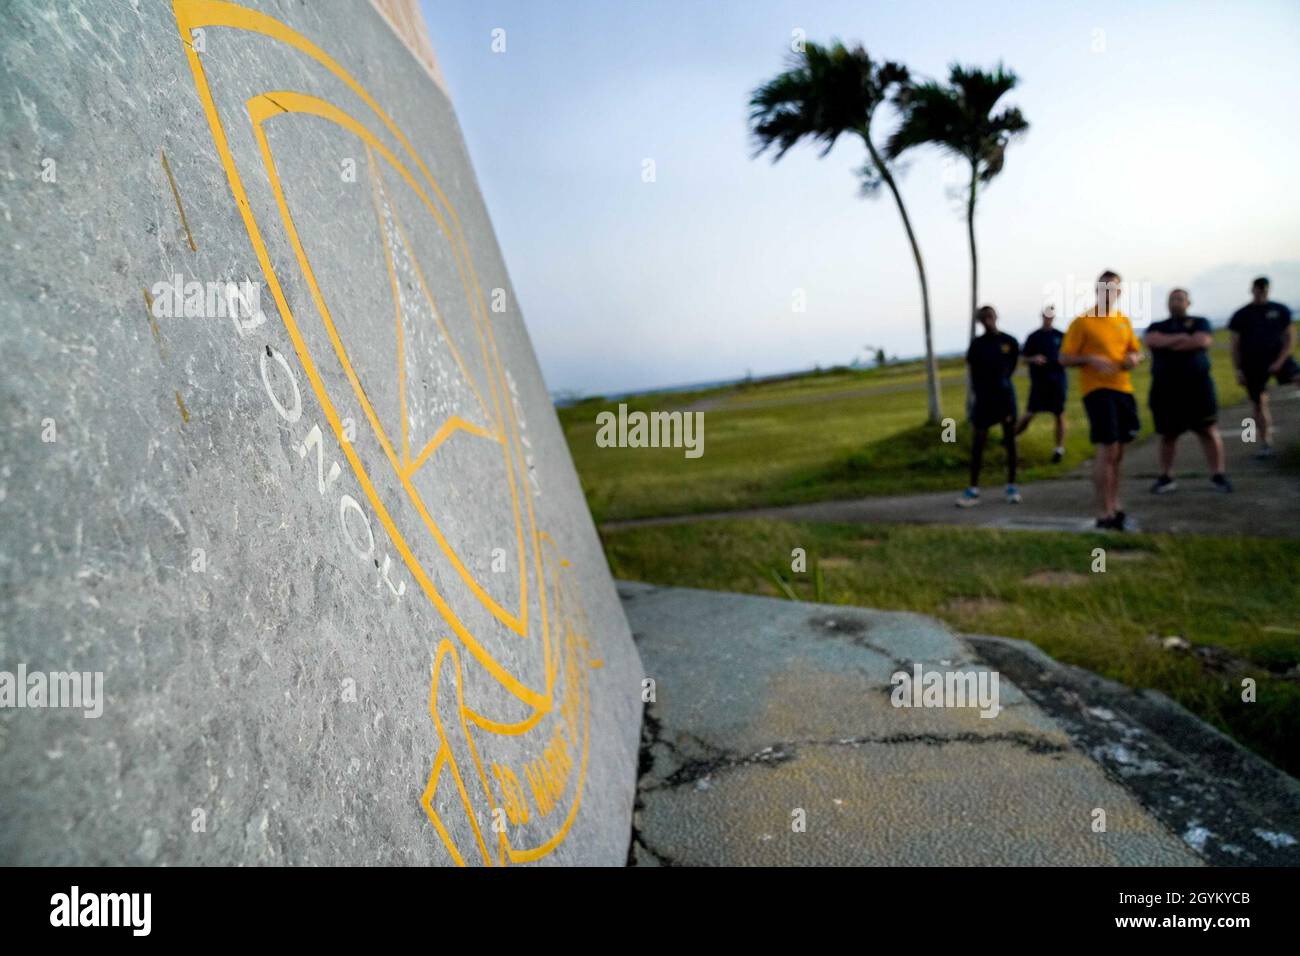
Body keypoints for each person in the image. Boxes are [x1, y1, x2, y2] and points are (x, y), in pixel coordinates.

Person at [1059, 271, 1143, 530]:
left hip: (1122, 389)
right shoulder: (1083, 322)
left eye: (1114, 288)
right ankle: (1103, 513)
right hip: (1097, 390)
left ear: (1119, 292)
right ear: (1097, 290)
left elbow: (1136, 350)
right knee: (1107, 450)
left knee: (1118, 452)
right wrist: (1090, 359)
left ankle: (1115, 505)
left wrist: (1134, 359)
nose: (1108, 292)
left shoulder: (1122, 320)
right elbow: (1064, 358)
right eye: (1104, 287)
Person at [1144, 289, 1232, 493]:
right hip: (1166, 390)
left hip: (1197, 388)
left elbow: (1201, 341)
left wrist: (1168, 342)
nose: (1175, 303)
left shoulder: (1201, 322)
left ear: (1188, 302)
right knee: (1168, 434)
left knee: (1207, 430)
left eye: (1179, 299)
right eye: (1172, 299)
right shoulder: (1157, 326)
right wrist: (1183, 339)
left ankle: (1218, 474)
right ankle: (1166, 476)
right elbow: (1151, 341)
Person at [957, 306, 1021, 507]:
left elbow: (1012, 365)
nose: (988, 320)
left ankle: (1011, 486)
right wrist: (977, 395)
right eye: (983, 318)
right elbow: (973, 371)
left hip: (1005, 397)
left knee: (1010, 442)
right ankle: (973, 489)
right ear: (980, 321)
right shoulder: (977, 345)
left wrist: (1002, 382)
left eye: (990, 316)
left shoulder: (1009, 341)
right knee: (978, 443)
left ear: (996, 317)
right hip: (985, 399)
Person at [1229, 276, 1296, 459]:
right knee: (1258, 402)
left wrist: (1281, 361)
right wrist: (1239, 369)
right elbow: (1234, 344)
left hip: (1279, 357)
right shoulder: (1242, 315)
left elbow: (1290, 338)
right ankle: (1265, 442)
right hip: (1253, 363)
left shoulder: (1279, 310)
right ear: (1252, 290)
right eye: (1258, 289)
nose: (1260, 292)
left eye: (1264, 289)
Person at [1015, 305, 1067, 463]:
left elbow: (1069, 355)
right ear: (1042, 316)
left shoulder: (1060, 335)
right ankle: (1011, 438)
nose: (1048, 318)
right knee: (1030, 413)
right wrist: (1034, 358)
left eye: (1051, 315)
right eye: (1046, 315)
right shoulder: (1034, 337)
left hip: (1057, 381)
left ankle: (1059, 449)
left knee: (1059, 413)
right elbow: (1023, 357)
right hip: (1039, 382)